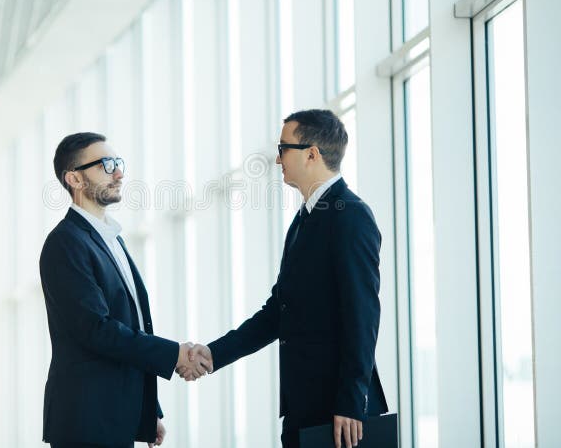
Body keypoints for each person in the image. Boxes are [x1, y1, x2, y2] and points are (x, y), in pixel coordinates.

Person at [179, 109, 388, 448]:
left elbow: (363, 316)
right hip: (304, 408)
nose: (277, 160)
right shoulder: (302, 221)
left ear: (311, 154)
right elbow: (279, 311)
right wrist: (212, 354)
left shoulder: (351, 216)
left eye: (283, 148)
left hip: (340, 415)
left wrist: (351, 400)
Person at [40, 132, 211, 448]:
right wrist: (175, 354)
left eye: (118, 163)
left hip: (115, 413)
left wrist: (149, 410)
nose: (119, 173)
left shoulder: (111, 239)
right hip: (87, 419)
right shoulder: (65, 243)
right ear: (74, 179)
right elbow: (96, 330)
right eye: (106, 164)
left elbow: (132, 328)